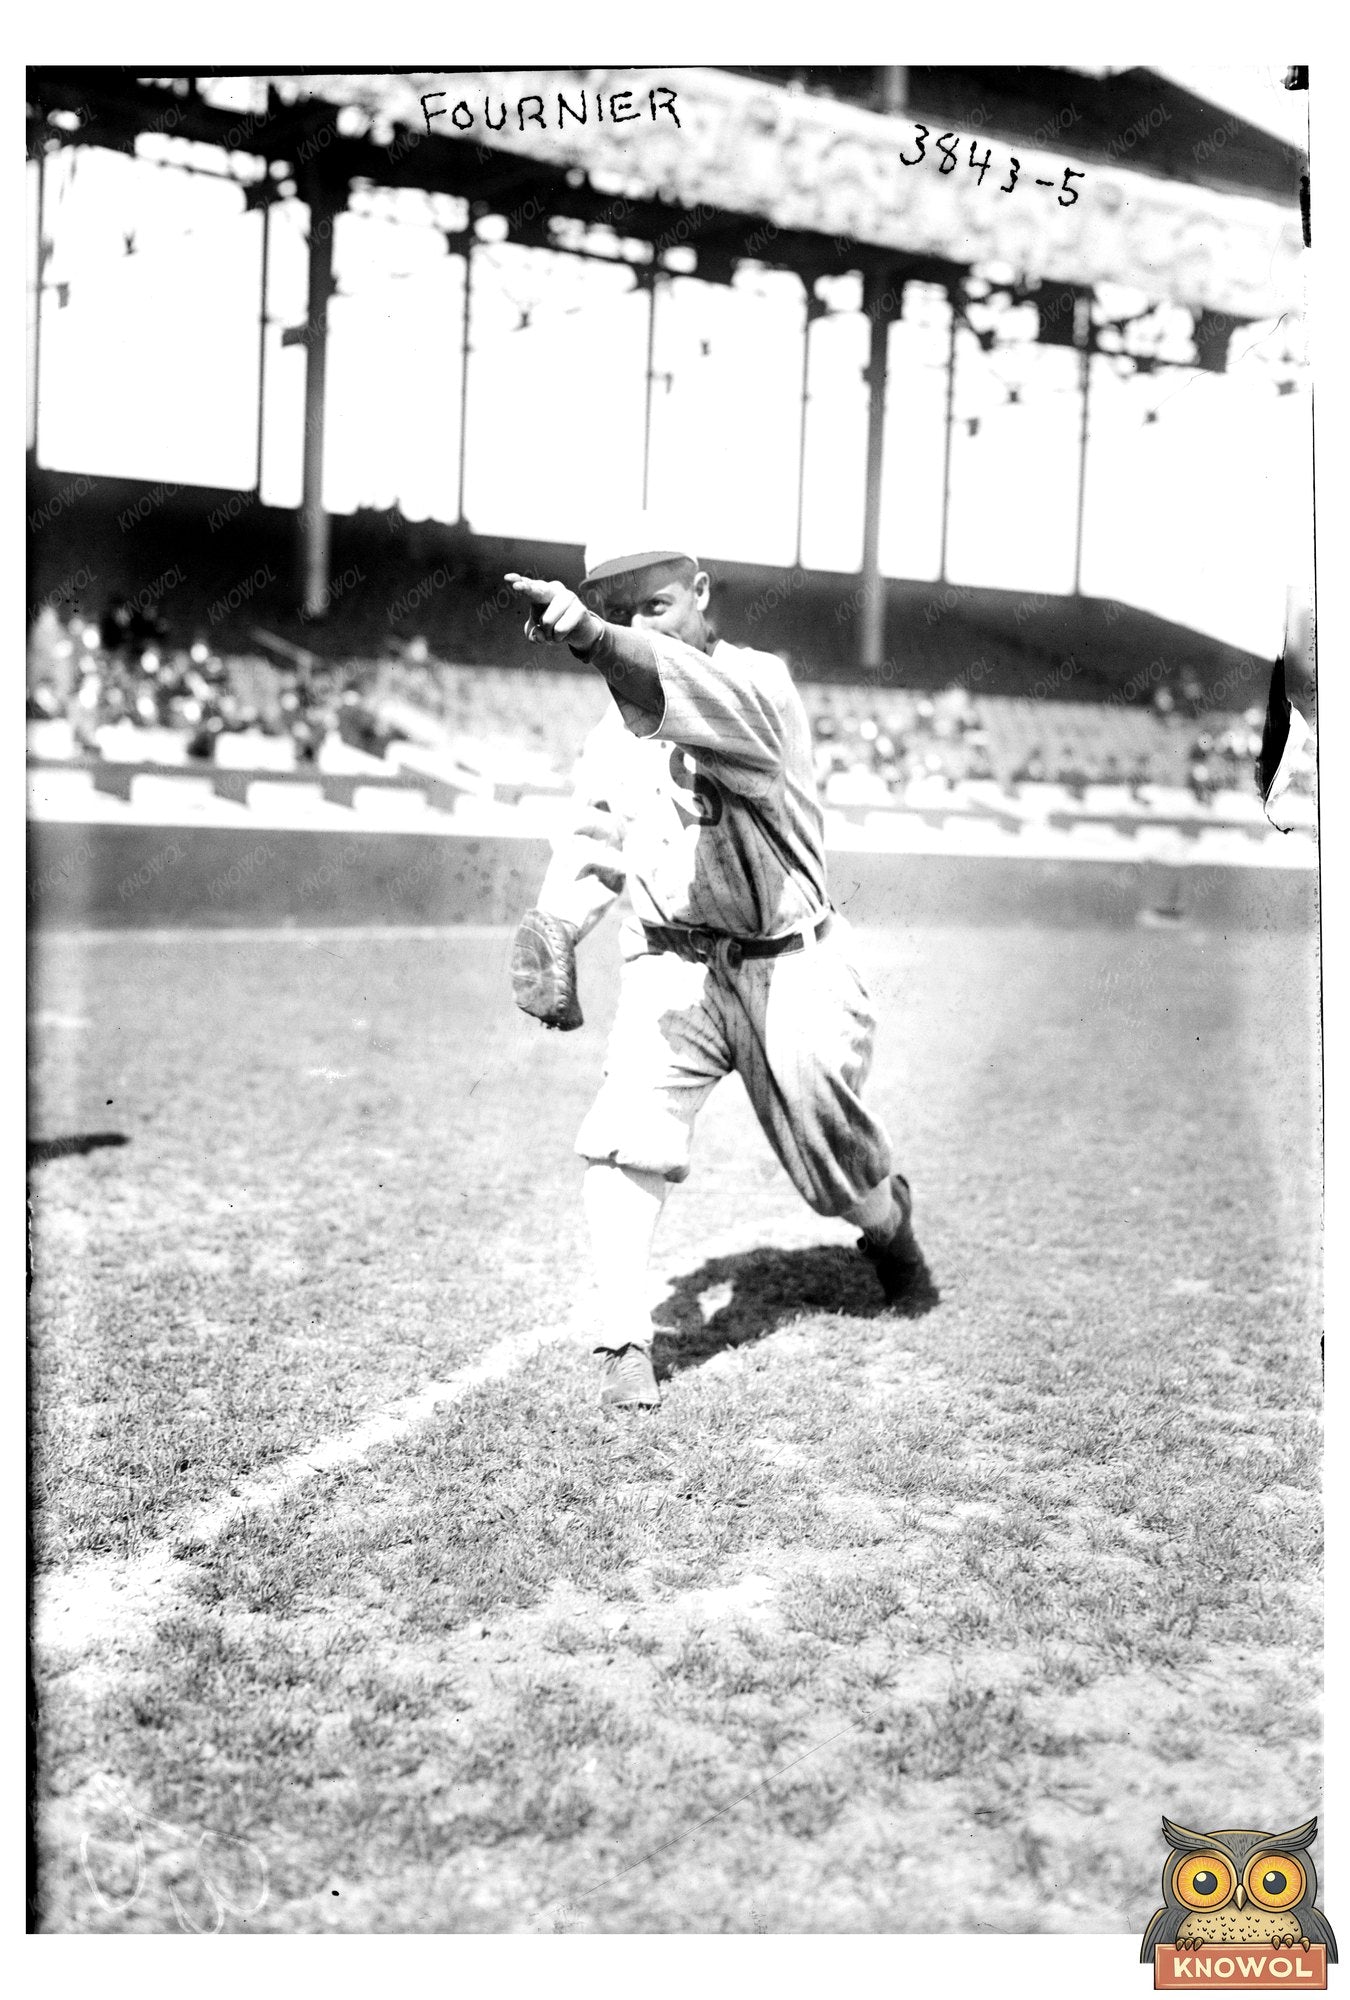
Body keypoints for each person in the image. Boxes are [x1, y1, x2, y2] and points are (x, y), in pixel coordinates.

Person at [505, 517, 924, 1411]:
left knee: (838, 1177)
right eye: (619, 610)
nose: (638, 625)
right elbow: (595, 841)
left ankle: (888, 1224)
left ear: (702, 594)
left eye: (655, 605)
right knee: (625, 1136)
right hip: (673, 965)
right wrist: (559, 922)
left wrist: (590, 635)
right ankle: (623, 1341)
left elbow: (679, 691)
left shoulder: (759, 681)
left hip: (789, 963)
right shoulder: (611, 732)